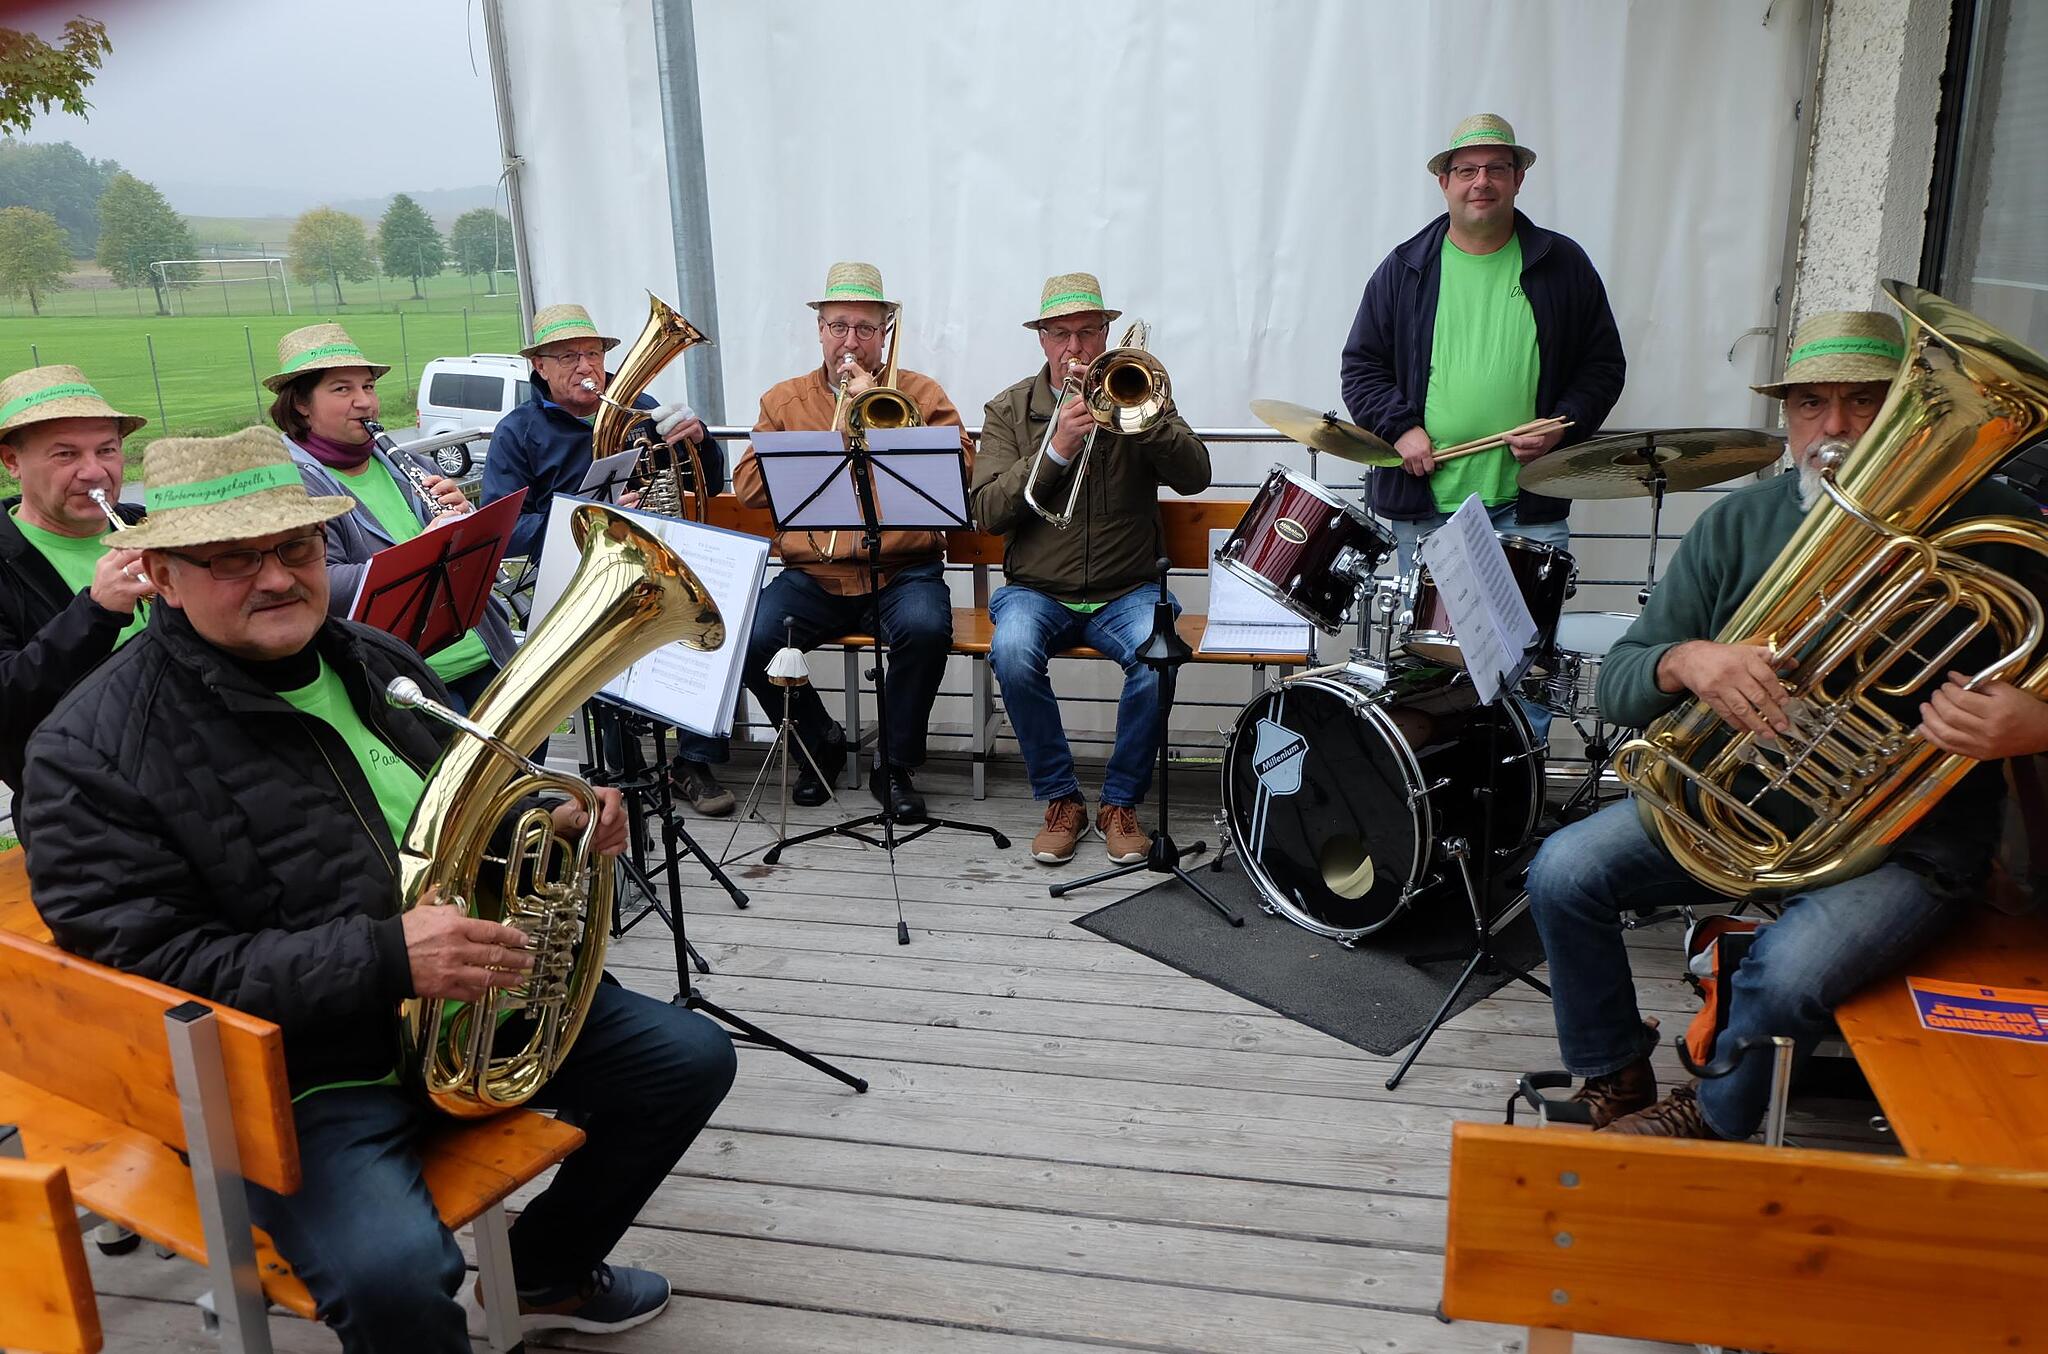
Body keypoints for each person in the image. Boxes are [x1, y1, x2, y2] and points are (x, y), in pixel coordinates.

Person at [23, 427, 738, 1351]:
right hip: (303, 1074)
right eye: (233, 559)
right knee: (393, 1275)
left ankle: (547, 1273)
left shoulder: (373, 657)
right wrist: (384, 956)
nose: (277, 579)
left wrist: (552, 817)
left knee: (689, 1059)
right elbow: (152, 973)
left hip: (464, 1007)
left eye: (295, 547)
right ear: (161, 574)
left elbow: (469, 810)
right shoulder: (89, 750)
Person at [1522, 309, 2048, 1140]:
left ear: (1909, 414)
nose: (1834, 427)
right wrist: (1688, 660)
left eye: (1864, 401)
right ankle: (1614, 1069)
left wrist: (2038, 726)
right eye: (1810, 403)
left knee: (1784, 973)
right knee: (1562, 871)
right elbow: (1620, 685)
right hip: (1736, 812)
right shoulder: (1739, 525)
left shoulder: (2000, 527)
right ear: (1788, 417)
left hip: (1907, 840)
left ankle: (1712, 1117)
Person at [970, 273, 1210, 865]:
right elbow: (987, 512)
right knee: (1012, 652)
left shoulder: (1140, 390)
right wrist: (1055, 449)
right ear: (1042, 339)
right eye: (1060, 334)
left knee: (1157, 659)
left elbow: (1195, 476)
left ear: (1106, 335)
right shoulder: (1008, 409)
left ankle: (1120, 803)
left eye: (1086, 332)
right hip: (1036, 590)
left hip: (1126, 590)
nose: (1074, 347)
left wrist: (1144, 421)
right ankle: (1062, 799)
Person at [731, 261, 972, 822]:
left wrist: (890, 417)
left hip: (903, 569)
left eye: (865, 328)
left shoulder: (921, 392)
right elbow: (747, 489)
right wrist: (824, 443)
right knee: (750, 639)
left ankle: (895, 764)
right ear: (820, 330)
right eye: (838, 326)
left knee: (925, 629)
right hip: (815, 572)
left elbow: (961, 469)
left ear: (884, 334)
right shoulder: (784, 401)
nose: (850, 341)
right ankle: (820, 742)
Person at [1340, 112, 1626, 577]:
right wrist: (1400, 429)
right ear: (1444, 181)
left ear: (1518, 179)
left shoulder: (1562, 263)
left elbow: (1603, 366)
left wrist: (1562, 427)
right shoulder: (1405, 269)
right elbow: (1361, 367)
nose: (1482, 182)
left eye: (1496, 168)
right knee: (1432, 630)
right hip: (1429, 506)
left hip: (1530, 505)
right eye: (1467, 170)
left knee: (1526, 628)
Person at [485, 302, 734, 814]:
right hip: (573, 574)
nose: (586, 368)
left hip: (654, 562)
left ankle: (692, 761)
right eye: (569, 357)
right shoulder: (517, 432)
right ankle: (624, 772)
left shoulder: (639, 408)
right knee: (593, 640)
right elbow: (504, 533)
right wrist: (588, 517)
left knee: (717, 617)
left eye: (594, 355)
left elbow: (703, 482)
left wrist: (701, 442)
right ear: (540, 366)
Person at [266, 323, 514, 714]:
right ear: (301, 403)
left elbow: (469, 563)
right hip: (405, 683)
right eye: (342, 389)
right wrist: (426, 553)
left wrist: (468, 526)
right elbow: (317, 583)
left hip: (488, 656)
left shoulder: (412, 463)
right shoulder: (289, 486)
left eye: (368, 386)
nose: (364, 402)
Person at [0, 365, 151, 837]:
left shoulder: (154, 527)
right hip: (84, 815)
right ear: (11, 461)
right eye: (65, 454)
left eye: (106, 450)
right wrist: (96, 615)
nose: (94, 471)